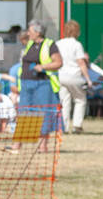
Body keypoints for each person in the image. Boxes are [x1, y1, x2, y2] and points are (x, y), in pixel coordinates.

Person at [6, 20, 63, 154]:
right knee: (25, 112)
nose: (28, 33)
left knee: (43, 114)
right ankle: (17, 145)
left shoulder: (50, 45)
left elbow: (58, 63)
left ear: (37, 32)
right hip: (26, 83)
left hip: (42, 84)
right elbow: (21, 37)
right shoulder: (30, 43)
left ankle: (43, 147)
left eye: (30, 31)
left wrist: (42, 67)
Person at [55, 20, 93, 134]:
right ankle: (77, 125)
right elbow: (81, 62)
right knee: (80, 100)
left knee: (64, 102)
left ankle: (63, 127)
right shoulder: (77, 45)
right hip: (75, 76)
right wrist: (88, 79)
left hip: (61, 76)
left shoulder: (58, 43)